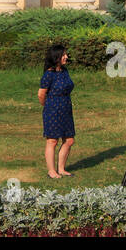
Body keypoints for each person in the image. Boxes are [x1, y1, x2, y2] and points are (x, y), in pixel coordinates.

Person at [38, 45, 75, 179]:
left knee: (69, 140)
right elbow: (41, 94)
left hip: (66, 108)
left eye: (66, 54)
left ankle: (61, 169)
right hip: (53, 110)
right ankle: (51, 171)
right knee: (52, 141)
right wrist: (48, 106)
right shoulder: (49, 74)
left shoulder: (64, 71)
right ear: (56, 57)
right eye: (63, 55)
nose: (66, 57)